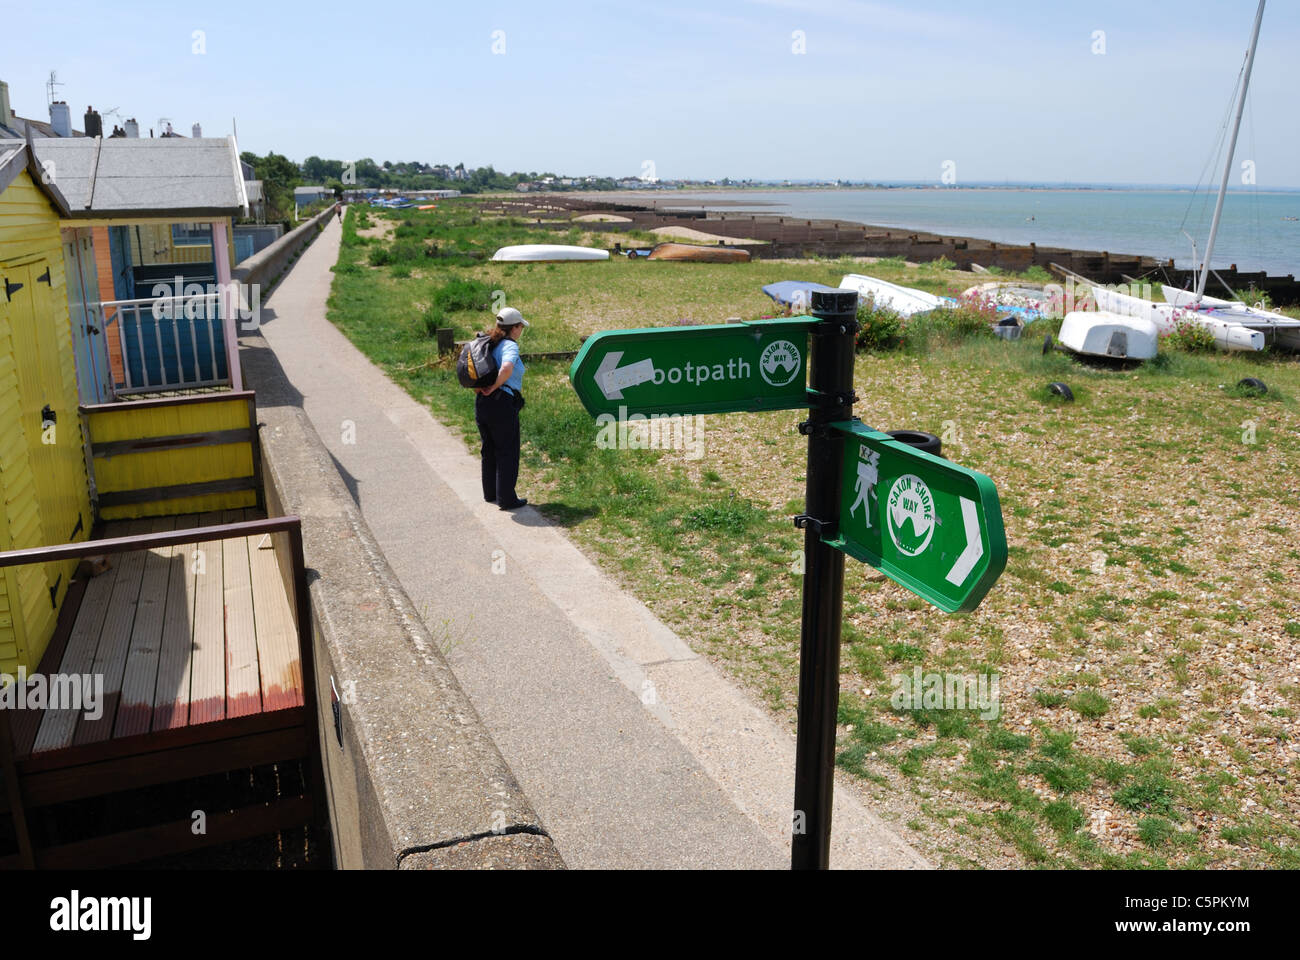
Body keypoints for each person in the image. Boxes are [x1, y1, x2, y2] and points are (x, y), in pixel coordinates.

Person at [475, 307, 529, 510]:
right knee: (507, 450)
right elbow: (506, 368)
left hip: (481, 403)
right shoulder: (509, 346)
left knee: (488, 449)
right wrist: (494, 387)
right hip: (501, 403)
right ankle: (507, 498)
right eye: (520, 326)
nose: (521, 330)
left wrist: (482, 389)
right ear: (514, 328)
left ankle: (491, 494)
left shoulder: (487, 342)